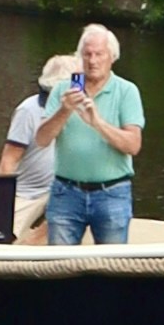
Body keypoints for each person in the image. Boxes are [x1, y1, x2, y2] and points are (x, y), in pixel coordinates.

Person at [40, 21, 146, 248]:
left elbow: (133, 145)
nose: (92, 61)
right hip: (65, 192)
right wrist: (64, 109)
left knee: (111, 267)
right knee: (58, 266)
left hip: (112, 193)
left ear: (112, 57)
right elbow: (41, 140)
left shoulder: (126, 91)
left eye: (99, 54)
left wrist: (97, 122)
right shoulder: (63, 90)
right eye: (87, 54)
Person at [0, 71, 64, 239]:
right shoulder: (28, 110)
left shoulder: (83, 108)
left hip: (62, 189)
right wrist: (2, 200)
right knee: (4, 236)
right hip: (28, 192)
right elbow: (9, 159)